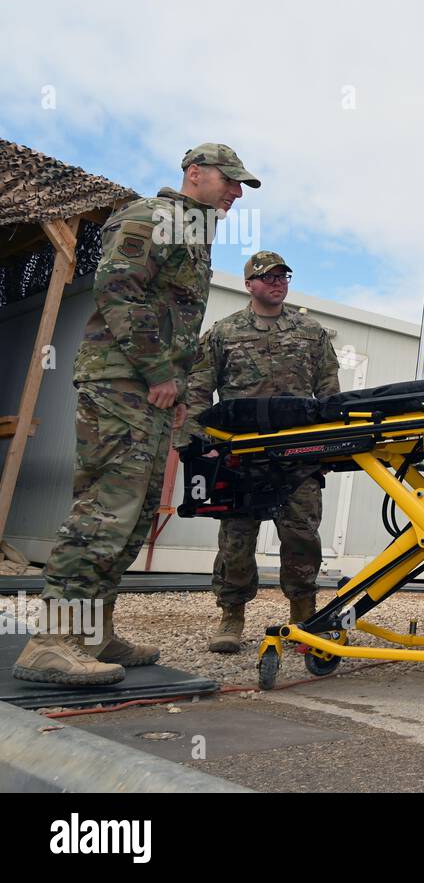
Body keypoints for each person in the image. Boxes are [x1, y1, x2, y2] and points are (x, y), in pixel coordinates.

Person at [14, 143, 260, 686]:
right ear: (194, 174)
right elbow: (118, 290)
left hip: (147, 394)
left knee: (135, 514)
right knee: (105, 513)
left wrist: (173, 391)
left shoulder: (193, 232)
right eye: (230, 180)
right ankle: (51, 642)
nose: (237, 192)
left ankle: (93, 631)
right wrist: (157, 373)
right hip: (121, 384)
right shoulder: (153, 216)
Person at [175, 251, 340, 653]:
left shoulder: (311, 332)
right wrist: (196, 444)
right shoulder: (223, 333)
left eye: (284, 275)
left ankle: (303, 616)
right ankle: (231, 616)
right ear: (250, 284)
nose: (278, 282)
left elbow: (330, 393)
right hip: (239, 454)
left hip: (297, 454)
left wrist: (334, 444)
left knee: (301, 534)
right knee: (236, 537)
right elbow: (197, 389)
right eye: (268, 277)